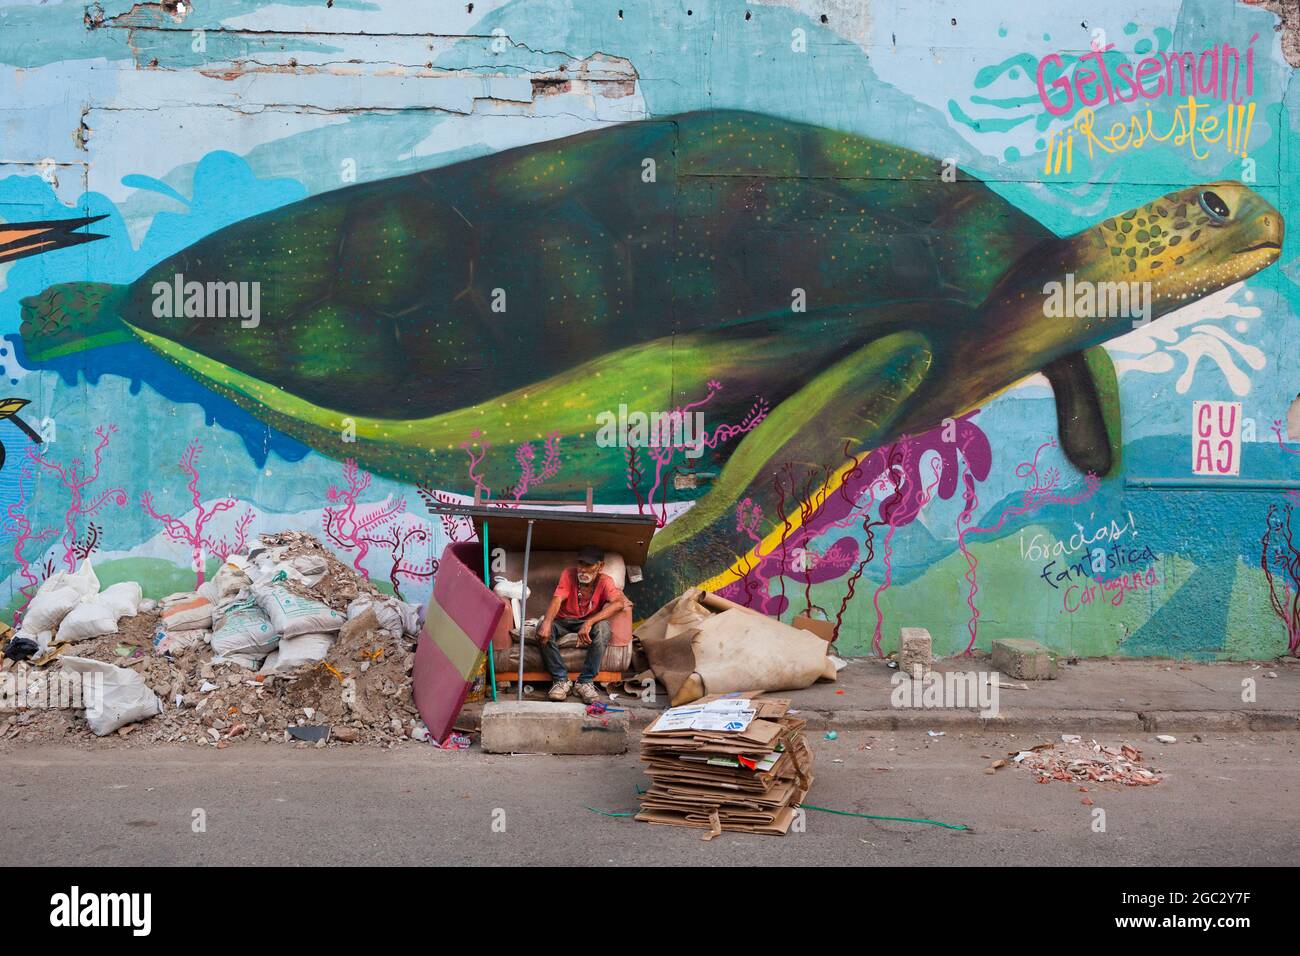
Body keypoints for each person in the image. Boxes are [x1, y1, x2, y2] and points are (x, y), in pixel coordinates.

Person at [538, 545, 628, 703]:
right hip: (564, 621)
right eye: (580, 564)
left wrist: (589, 623)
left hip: (588, 622)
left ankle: (584, 682)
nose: (583, 570)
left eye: (588, 565)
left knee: (604, 628)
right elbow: (557, 598)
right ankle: (561, 680)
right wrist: (546, 622)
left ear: (600, 566)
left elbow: (619, 603)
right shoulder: (568, 574)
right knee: (543, 628)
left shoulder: (606, 581)